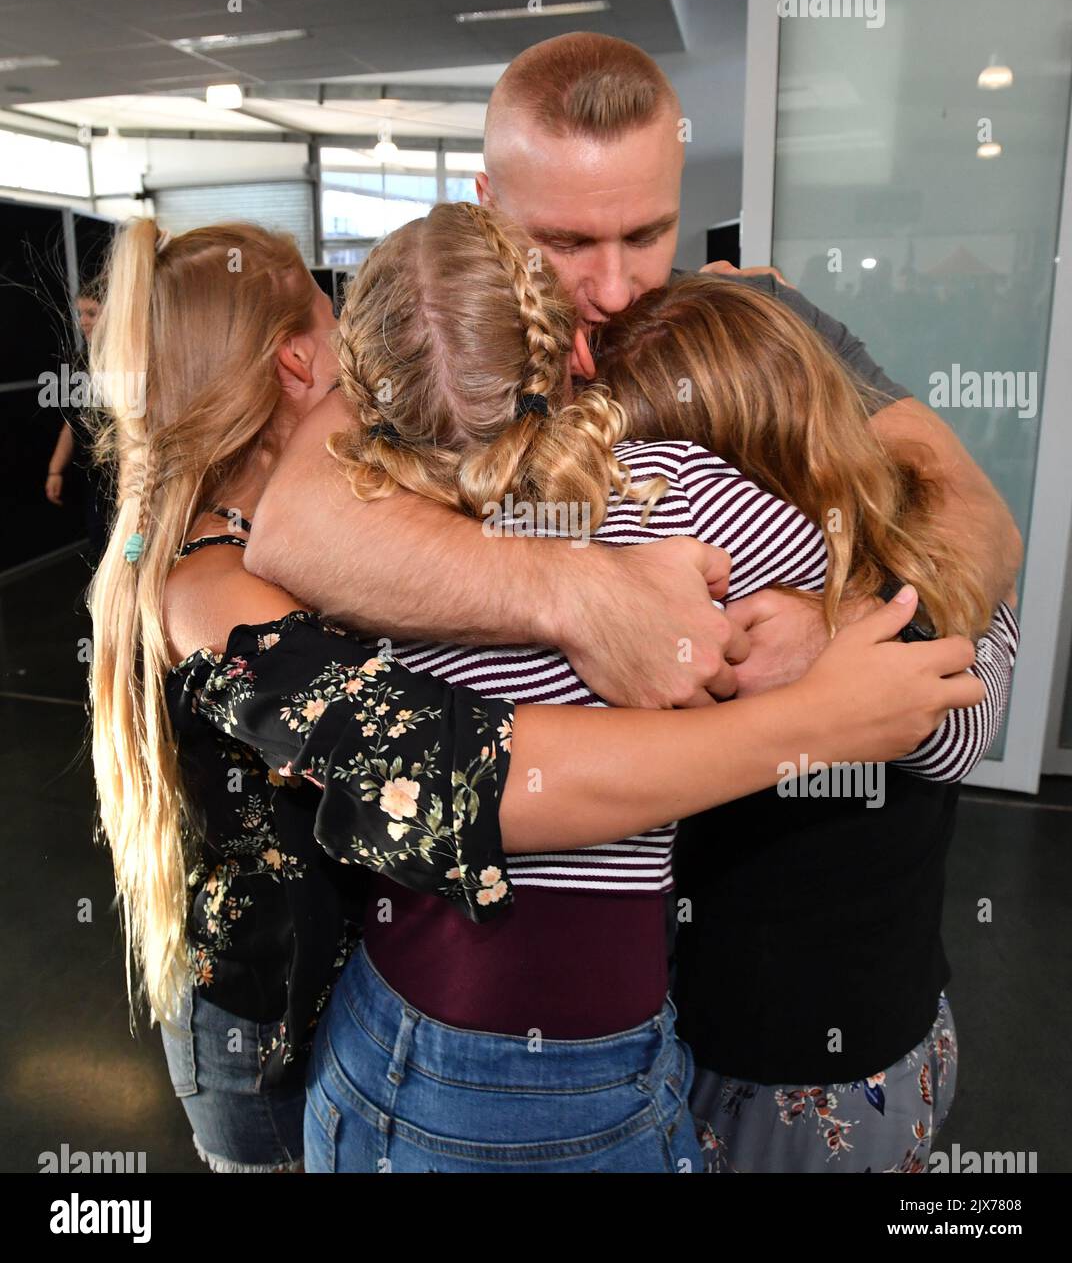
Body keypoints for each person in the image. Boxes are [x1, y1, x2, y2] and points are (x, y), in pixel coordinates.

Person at [87, 218, 966, 1174]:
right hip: (291, 1043)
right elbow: (462, 784)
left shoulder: (380, 512)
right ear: (301, 363)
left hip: (376, 1015)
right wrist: (810, 717)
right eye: (324, 310)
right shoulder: (212, 591)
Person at [244, 32, 1021, 707]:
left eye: (648, 234)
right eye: (569, 242)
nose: (615, 290)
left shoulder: (749, 324)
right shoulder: (445, 341)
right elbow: (296, 531)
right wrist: (582, 597)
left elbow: (971, 508)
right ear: (488, 204)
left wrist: (844, 624)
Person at [591, 274, 1018, 1172]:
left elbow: (952, 728)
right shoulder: (916, 538)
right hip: (894, 1037)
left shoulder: (695, 584)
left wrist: (830, 643)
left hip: (772, 1078)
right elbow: (978, 698)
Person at [45, 284, 111, 563]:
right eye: (80, 313)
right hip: (94, 480)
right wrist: (55, 470)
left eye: (91, 313)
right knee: (100, 547)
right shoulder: (80, 362)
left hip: (130, 479)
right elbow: (72, 423)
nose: (83, 321)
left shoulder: (134, 358)